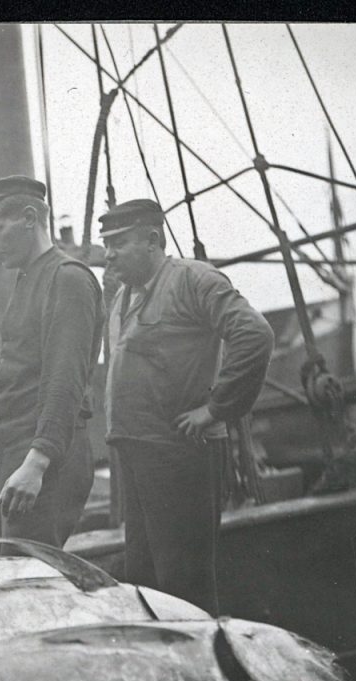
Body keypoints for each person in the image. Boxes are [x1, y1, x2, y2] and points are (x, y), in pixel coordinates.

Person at [99, 198, 273, 614]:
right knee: (146, 580)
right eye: (106, 243)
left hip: (180, 454)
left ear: (153, 240)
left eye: (119, 242)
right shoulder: (125, 296)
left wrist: (215, 410)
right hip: (138, 454)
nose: (108, 254)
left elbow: (254, 334)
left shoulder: (193, 280)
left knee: (184, 585)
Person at [0, 176, 103, 548]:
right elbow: (5, 388)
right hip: (17, 458)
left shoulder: (67, 279)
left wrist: (37, 464)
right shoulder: (27, 279)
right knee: (10, 575)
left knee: (30, 583)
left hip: (44, 459)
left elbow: (64, 381)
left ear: (29, 217)